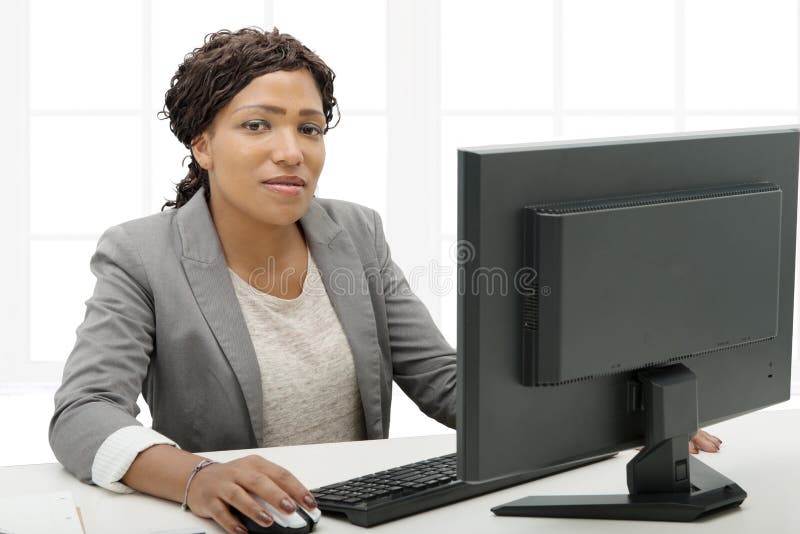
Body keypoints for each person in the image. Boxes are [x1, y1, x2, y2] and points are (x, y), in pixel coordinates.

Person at [49, 27, 721, 534]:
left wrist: (618, 415)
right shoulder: (141, 254)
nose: (292, 150)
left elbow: (443, 382)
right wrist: (197, 478)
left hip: (352, 515)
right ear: (202, 143)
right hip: (241, 523)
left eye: (309, 128)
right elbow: (83, 414)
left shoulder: (354, 233)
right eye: (257, 125)